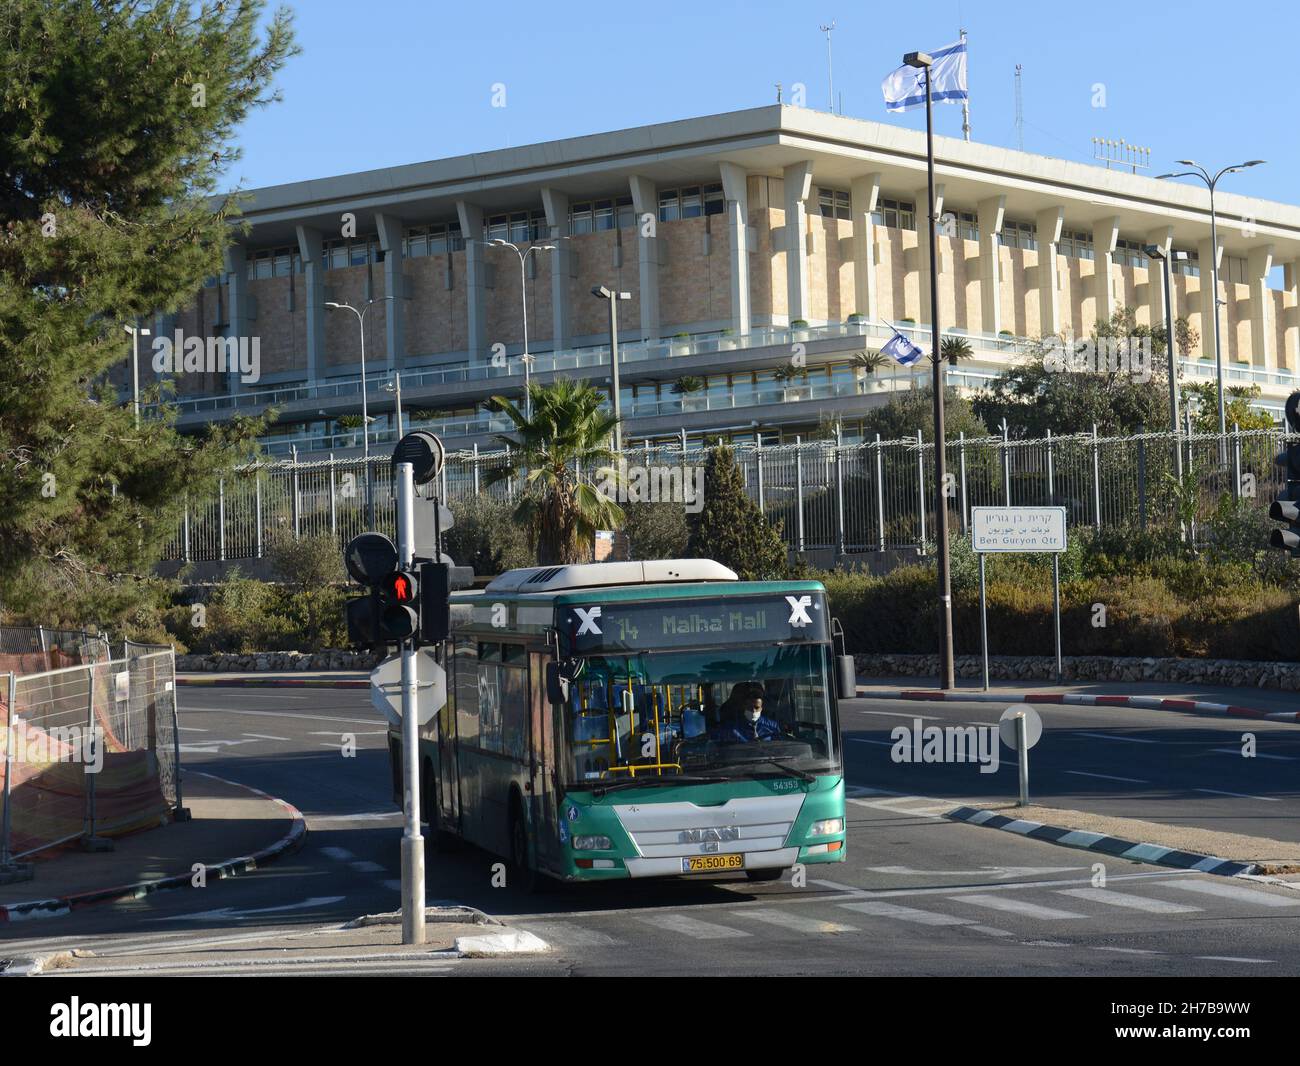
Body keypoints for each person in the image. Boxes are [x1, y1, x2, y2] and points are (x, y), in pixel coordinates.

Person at [711, 682, 783, 742]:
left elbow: (782, 748)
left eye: (756, 708)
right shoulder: (730, 729)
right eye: (749, 707)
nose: (753, 711)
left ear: (762, 708)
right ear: (744, 707)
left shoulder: (772, 727)